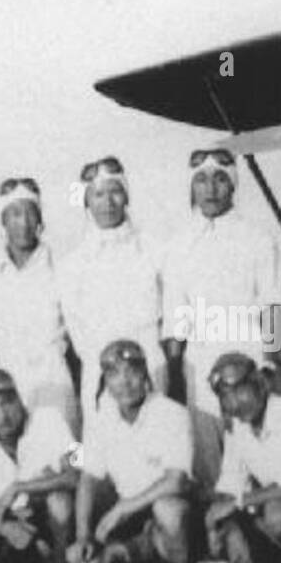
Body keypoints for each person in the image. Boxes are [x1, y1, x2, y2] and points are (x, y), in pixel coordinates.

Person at [162, 148, 281, 489]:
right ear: (192, 188)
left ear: (233, 187)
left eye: (219, 180)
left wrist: (272, 364)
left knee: (255, 450)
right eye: (201, 180)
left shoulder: (259, 238)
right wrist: (174, 374)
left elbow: (272, 305)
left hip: (250, 356)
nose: (210, 189)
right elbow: (175, 318)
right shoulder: (178, 244)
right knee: (208, 460)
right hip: (199, 363)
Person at [71, 340, 195, 563]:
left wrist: (123, 509)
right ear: (105, 381)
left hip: (173, 512)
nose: (124, 383)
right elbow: (87, 479)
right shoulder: (99, 420)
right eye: (114, 374)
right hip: (130, 516)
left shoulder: (172, 412)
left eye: (132, 372)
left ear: (146, 374)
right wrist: (82, 535)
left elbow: (176, 481)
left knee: (167, 510)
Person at [0, 177, 79, 435]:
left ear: (40, 220)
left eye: (30, 213)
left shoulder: (61, 268)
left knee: (66, 447)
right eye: (15, 214)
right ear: (3, 221)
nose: (24, 223)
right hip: (6, 376)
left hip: (52, 375)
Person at [57, 157, 166, 419]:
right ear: (86, 201)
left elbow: (171, 316)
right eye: (98, 194)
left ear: (127, 195)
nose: (107, 203)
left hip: (151, 365)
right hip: (100, 369)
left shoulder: (156, 250)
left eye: (115, 192)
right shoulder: (71, 263)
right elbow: (76, 329)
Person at [202, 352, 281, 563]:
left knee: (275, 511)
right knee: (229, 524)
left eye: (241, 391)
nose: (235, 403)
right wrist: (222, 522)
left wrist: (238, 503)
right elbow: (231, 486)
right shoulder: (238, 426)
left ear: (261, 384)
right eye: (226, 396)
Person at [0, 368, 78, 563]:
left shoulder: (50, 418)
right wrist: (5, 527)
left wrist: (19, 487)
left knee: (59, 500)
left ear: (19, 399)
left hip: (45, 515)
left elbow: (75, 474)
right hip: (9, 521)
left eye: (7, 402)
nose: (3, 415)